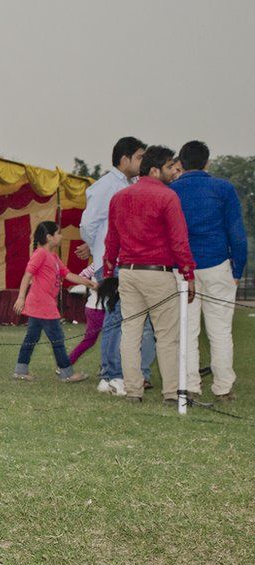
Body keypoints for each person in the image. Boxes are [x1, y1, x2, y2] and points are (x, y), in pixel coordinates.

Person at [102, 145, 196, 404]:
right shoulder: (167, 196)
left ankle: (133, 390)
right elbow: (179, 241)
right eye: (169, 167)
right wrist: (188, 274)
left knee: (130, 333)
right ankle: (171, 393)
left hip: (128, 272)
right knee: (166, 336)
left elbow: (111, 241)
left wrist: (109, 272)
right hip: (158, 273)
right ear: (155, 170)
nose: (173, 172)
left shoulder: (119, 197)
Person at [79, 137, 157, 395]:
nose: (143, 162)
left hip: (131, 261)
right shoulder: (106, 186)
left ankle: (124, 374)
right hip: (111, 262)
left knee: (132, 318)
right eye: (139, 157)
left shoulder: (132, 185)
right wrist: (98, 249)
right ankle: (112, 375)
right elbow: (88, 225)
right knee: (116, 317)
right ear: (125, 159)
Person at [171, 141, 247, 402]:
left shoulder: (172, 191)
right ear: (207, 162)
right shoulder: (223, 188)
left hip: (183, 268)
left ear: (181, 164)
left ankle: (191, 385)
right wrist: (238, 267)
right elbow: (237, 233)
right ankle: (223, 387)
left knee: (187, 329)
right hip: (217, 264)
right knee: (220, 329)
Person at [13, 222, 96, 382]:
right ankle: (67, 374)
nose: (61, 236)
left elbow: (68, 275)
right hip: (43, 305)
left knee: (31, 338)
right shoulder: (40, 254)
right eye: (58, 233)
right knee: (57, 338)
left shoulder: (54, 257)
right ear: (49, 237)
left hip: (39, 306)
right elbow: (27, 275)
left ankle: (20, 370)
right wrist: (21, 297)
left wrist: (89, 283)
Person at [67, 265, 105, 367]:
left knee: (89, 340)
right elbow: (81, 276)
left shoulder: (96, 264)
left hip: (92, 307)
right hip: (101, 308)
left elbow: (81, 276)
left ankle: (66, 364)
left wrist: (91, 285)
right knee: (112, 339)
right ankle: (108, 368)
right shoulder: (103, 263)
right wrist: (94, 286)